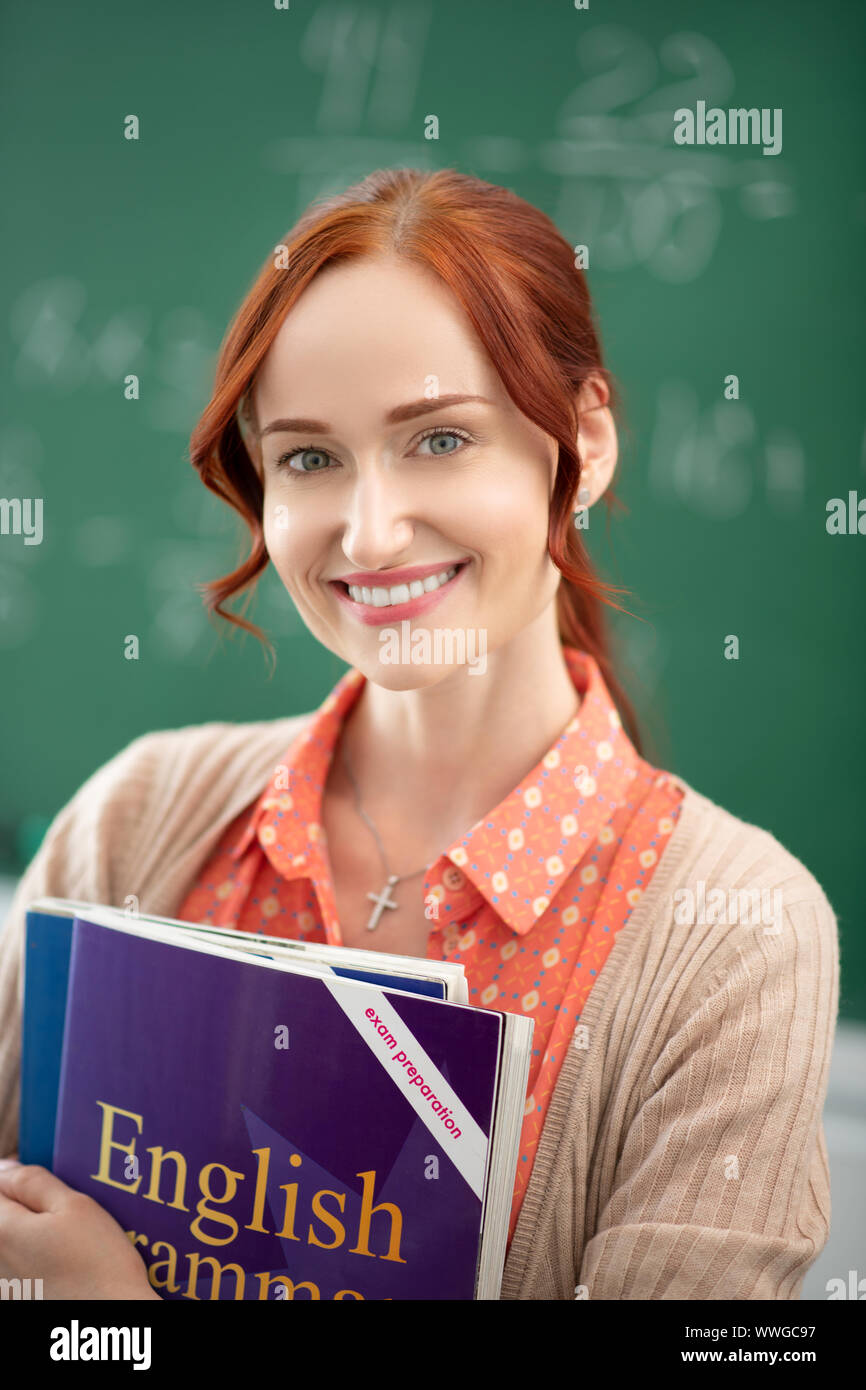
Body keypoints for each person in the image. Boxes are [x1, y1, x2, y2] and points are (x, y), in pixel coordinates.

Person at [0, 169, 838, 1300]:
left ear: (584, 441)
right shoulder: (136, 820)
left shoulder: (736, 937)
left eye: (439, 439)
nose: (371, 532)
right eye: (309, 457)